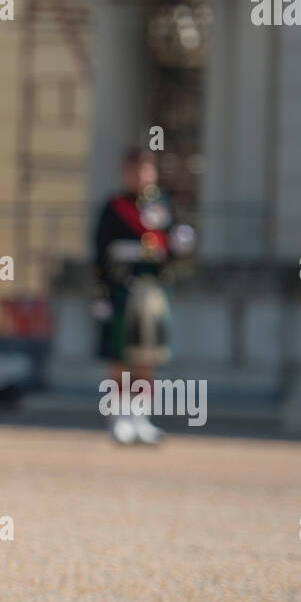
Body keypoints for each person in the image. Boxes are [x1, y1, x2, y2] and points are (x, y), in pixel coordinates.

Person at [91, 148, 194, 445]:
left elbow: (174, 248)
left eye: (146, 170)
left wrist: (180, 246)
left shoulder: (163, 206)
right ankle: (119, 417)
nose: (141, 176)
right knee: (120, 358)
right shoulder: (114, 207)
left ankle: (140, 418)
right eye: (135, 170)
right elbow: (100, 253)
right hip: (123, 289)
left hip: (153, 290)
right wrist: (100, 294)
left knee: (147, 358)